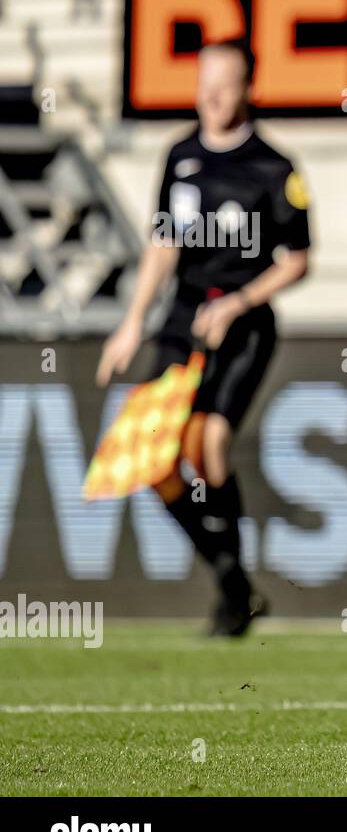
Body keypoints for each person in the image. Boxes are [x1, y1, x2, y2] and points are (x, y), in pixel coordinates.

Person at [96, 39, 311, 636]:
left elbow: (298, 260)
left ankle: (233, 595)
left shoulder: (275, 167)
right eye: (204, 84)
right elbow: (162, 243)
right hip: (182, 321)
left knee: (210, 442)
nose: (212, 97)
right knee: (153, 460)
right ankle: (234, 584)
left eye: (225, 84)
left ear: (249, 89)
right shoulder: (180, 155)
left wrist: (238, 302)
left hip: (242, 324)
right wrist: (132, 321)